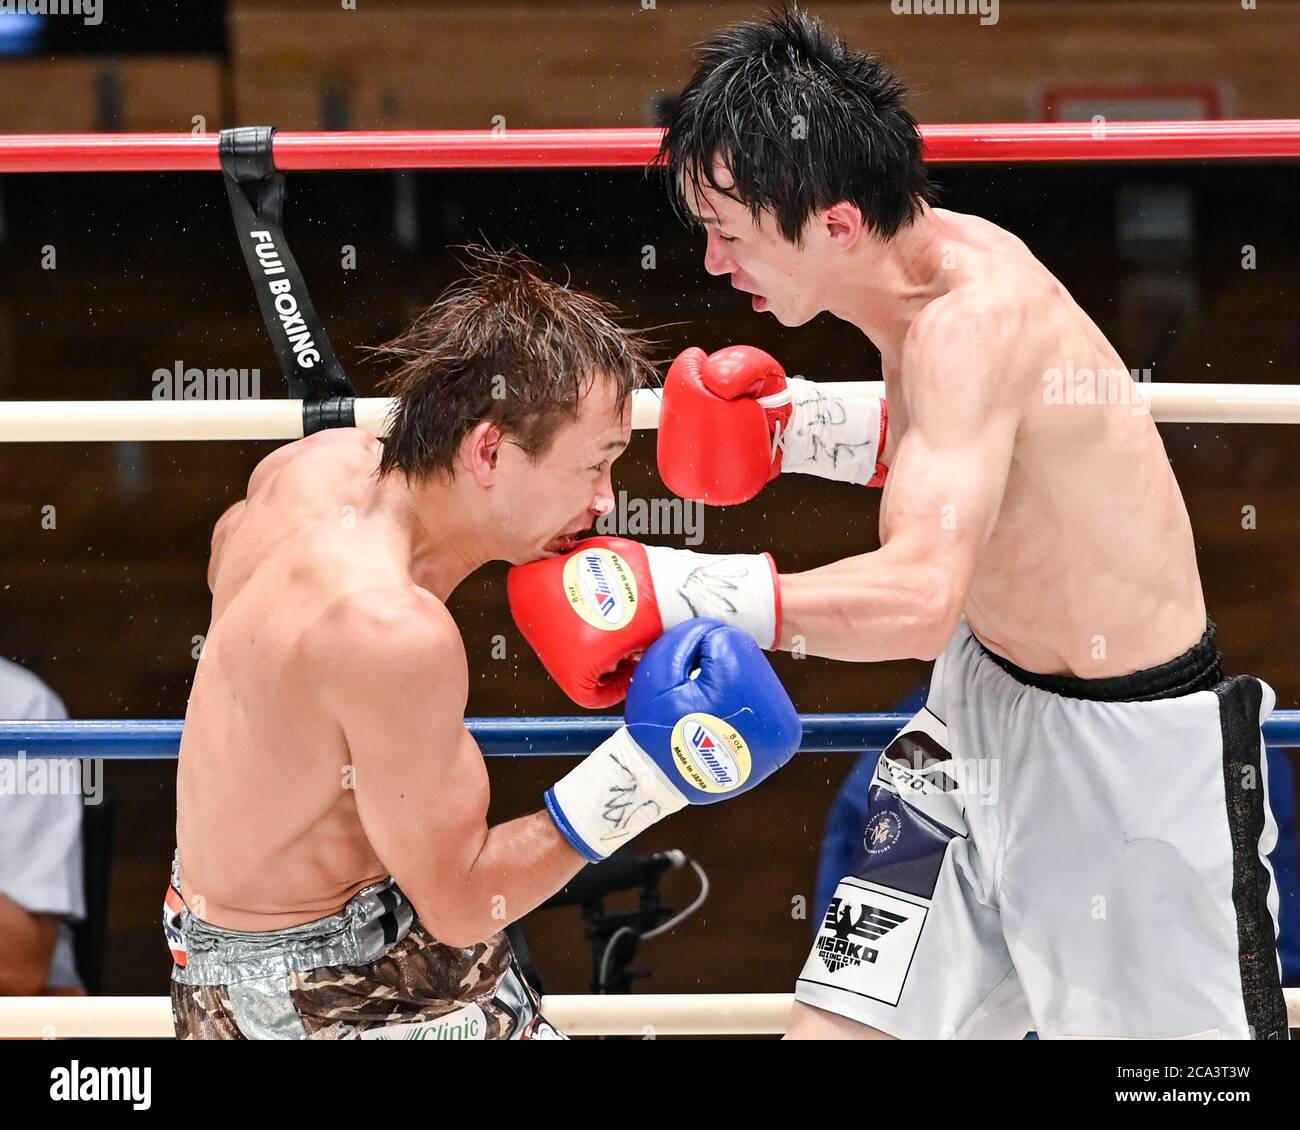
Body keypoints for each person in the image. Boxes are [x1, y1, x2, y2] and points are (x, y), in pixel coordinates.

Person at [511, 10, 1288, 1039]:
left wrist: (685, 592)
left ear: (833, 222)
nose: (708, 261)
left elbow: (920, 598)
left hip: (1125, 768)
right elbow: (970, 452)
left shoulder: (974, 319)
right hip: (963, 732)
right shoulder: (927, 279)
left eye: (728, 230)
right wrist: (794, 429)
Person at [168, 249, 801, 1040]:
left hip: (275, 955)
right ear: (490, 452)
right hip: (331, 995)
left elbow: (242, 581)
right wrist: (648, 768)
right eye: (596, 465)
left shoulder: (314, 469)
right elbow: (466, 903)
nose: (605, 501)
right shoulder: (394, 633)